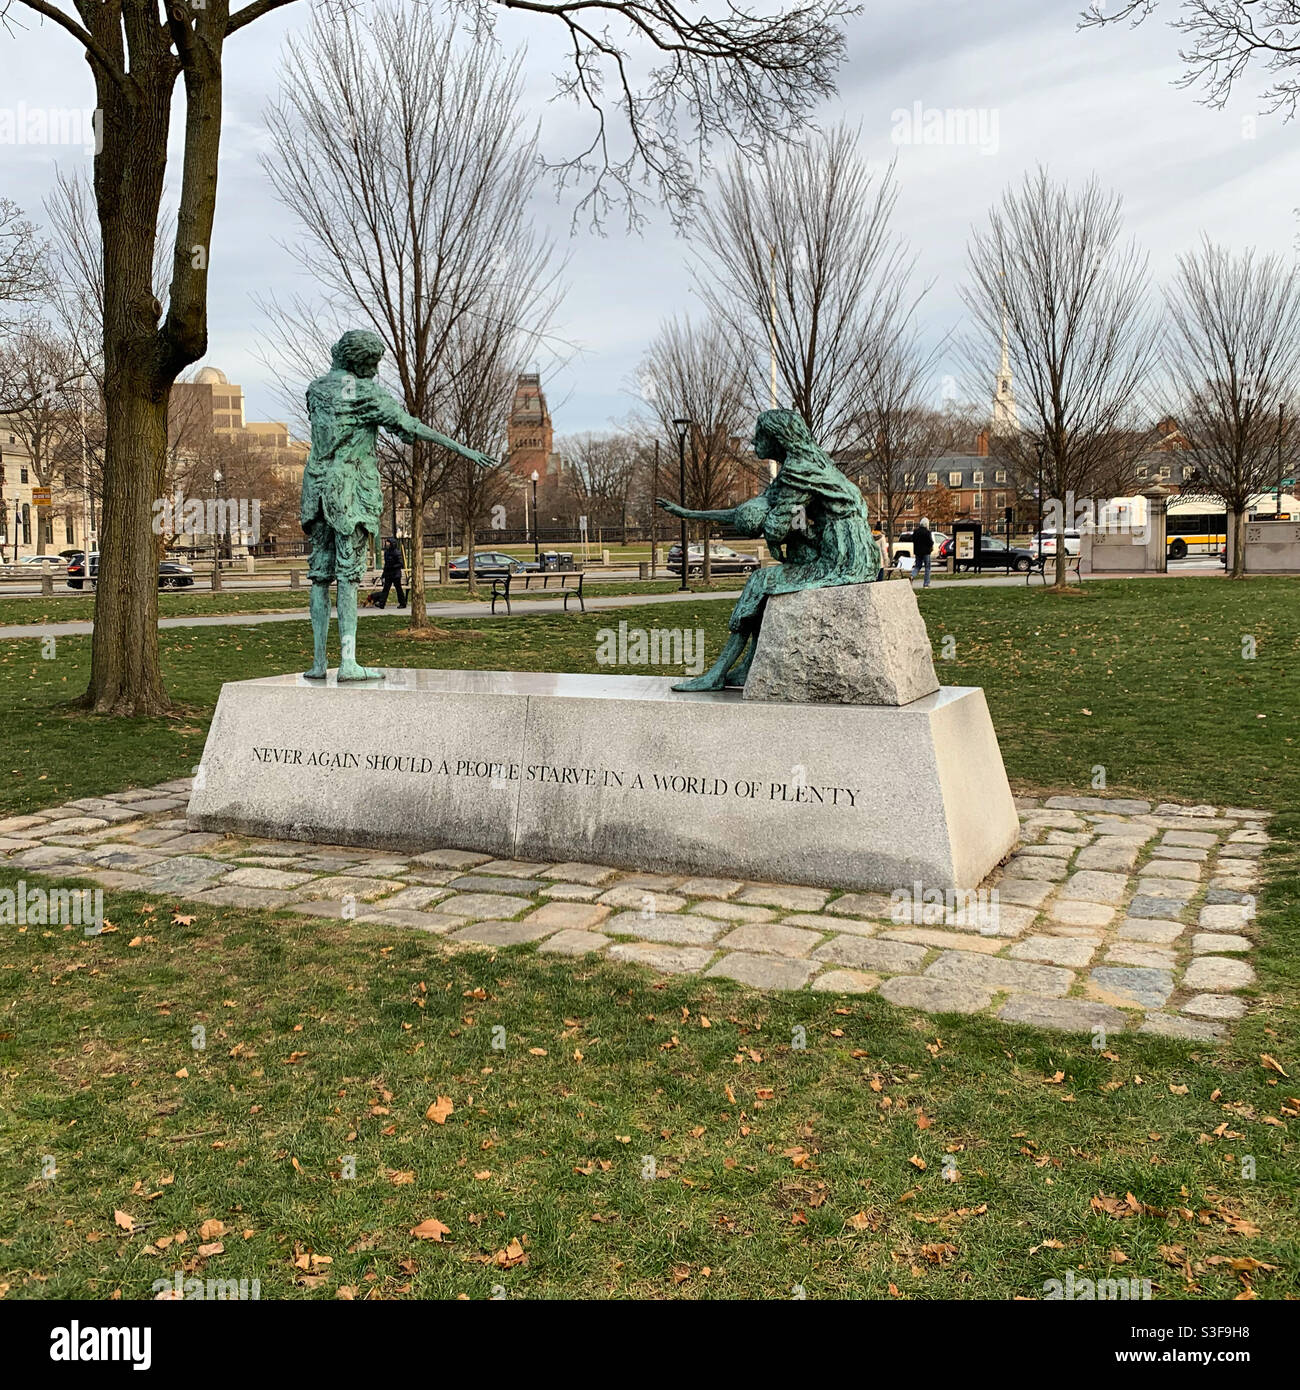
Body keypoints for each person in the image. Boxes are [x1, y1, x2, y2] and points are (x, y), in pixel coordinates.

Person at [300, 329, 494, 680]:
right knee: (347, 576)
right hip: (349, 491)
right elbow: (410, 425)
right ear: (358, 361)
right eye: (372, 364)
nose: (375, 372)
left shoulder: (316, 389)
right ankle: (347, 662)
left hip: (316, 487)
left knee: (319, 576)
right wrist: (462, 449)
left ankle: (317, 663)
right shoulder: (366, 392)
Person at [656, 409, 879, 691]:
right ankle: (748, 666)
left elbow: (774, 524)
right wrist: (689, 513)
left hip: (843, 558)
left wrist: (774, 540)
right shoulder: (806, 464)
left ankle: (716, 674)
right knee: (767, 590)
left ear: (777, 438)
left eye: (759, 435)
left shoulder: (799, 471)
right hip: (847, 548)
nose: (752, 440)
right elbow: (750, 509)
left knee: (759, 582)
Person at [377, 536, 406, 609]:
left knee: (398, 589)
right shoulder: (386, 552)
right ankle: (382, 603)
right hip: (388, 574)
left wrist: (392, 566)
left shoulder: (397, 552)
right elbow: (386, 564)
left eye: (388, 543)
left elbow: (401, 564)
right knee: (386, 589)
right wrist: (383, 574)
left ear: (392, 544)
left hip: (396, 574)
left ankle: (402, 603)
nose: (387, 544)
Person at [911, 516, 934, 588]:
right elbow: (930, 542)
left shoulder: (916, 532)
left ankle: (912, 575)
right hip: (926, 552)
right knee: (927, 567)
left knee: (918, 566)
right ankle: (926, 584)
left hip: (918, 552)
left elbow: (913, 539)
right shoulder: (927, 532)